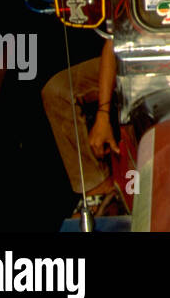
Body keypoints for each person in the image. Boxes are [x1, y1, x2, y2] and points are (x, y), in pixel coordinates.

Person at [42, 38, 125, 217]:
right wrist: (102, 116)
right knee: (57, 91)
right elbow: (113, 42)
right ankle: (98, 189)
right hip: (134, 58)